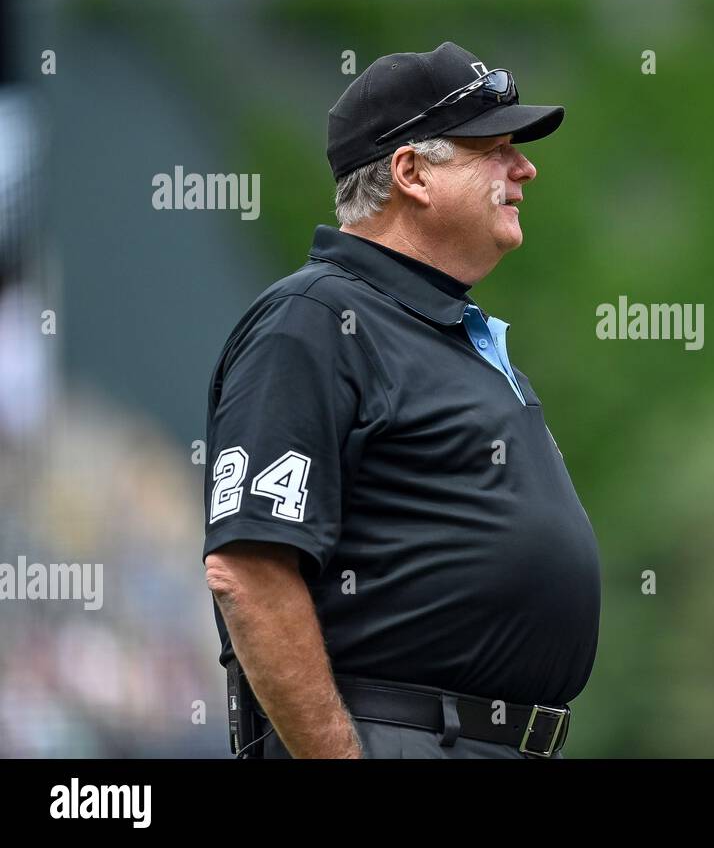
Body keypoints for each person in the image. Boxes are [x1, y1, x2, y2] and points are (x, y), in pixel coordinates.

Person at [202, 42, 601, 759]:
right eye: (495, 149)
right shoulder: (314, 320)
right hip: (399, 735)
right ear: (411, 173)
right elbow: (251, 568)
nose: (525, 168)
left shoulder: (440, 326)